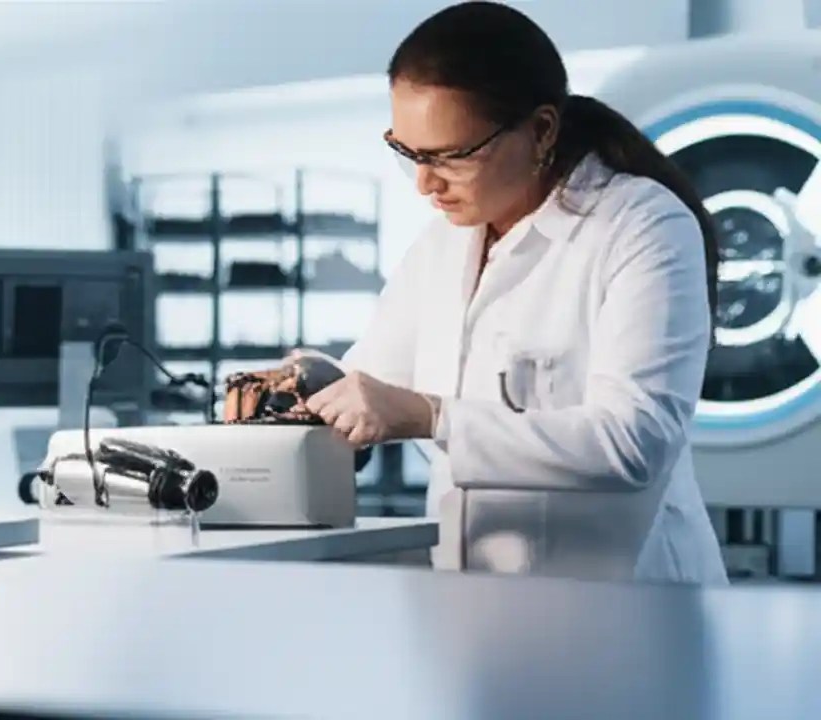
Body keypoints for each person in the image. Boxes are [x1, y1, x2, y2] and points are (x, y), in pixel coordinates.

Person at [301, 1, 728, 584]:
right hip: (476, 614)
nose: (426, 184)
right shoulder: (444, 244)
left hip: (627, 609)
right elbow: (372, 377)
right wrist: (300, 388)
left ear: (541, 130)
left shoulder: (642, 226)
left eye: (450, 157)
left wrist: (434, 416)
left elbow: (633, 441)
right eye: (408, 154)